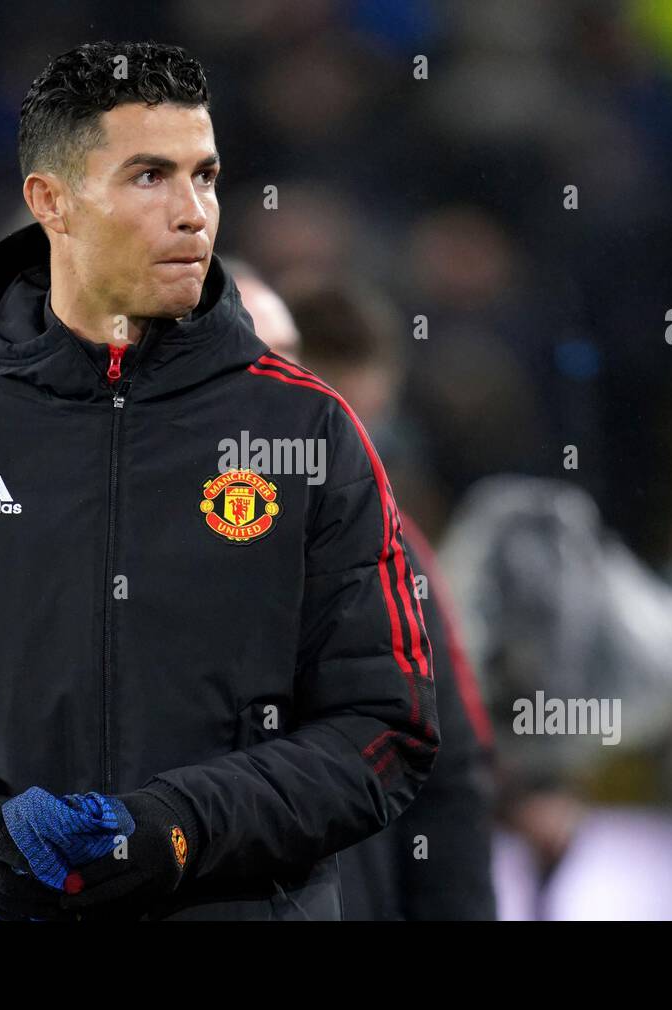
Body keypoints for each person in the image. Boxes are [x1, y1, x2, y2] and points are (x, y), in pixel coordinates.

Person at [0, 40, 437, 921]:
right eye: (150, 176)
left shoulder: (308, 431)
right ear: (50, 202)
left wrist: (181, 829)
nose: (194, 214)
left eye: (206, 176)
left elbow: (385, 729)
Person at [272, 277, 496, 919]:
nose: (352, 448)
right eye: (339, 419)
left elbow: (451, 771)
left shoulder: (400, 554)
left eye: (368, 423)